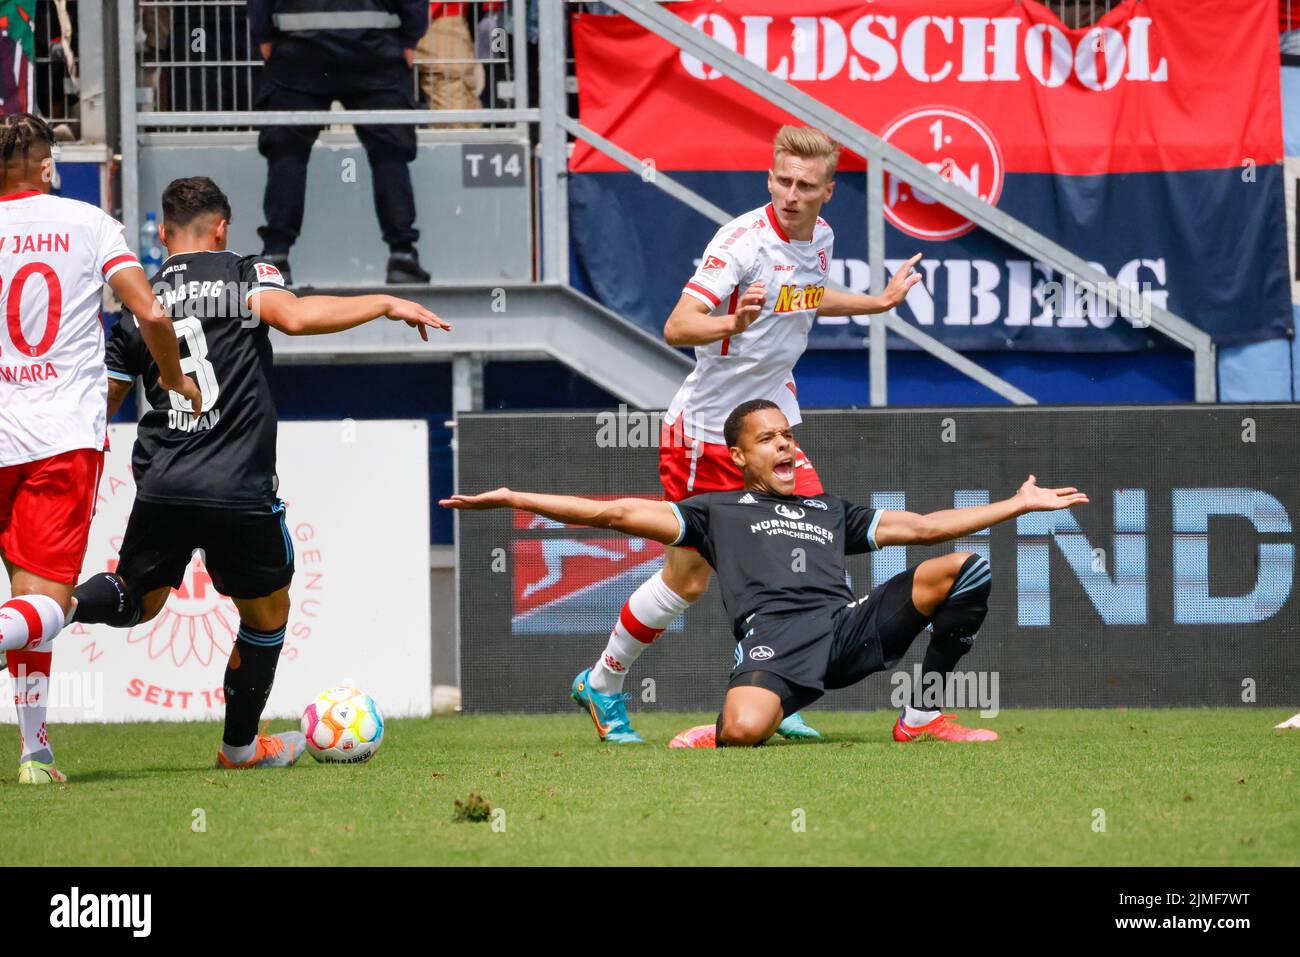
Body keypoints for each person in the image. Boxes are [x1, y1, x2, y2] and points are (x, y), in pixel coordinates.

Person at [68, 175, 449, 770]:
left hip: (164, 483)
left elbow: (105, 402)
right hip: (237, 487)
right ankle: (239, 749)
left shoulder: (138, 302)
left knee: (137, 601)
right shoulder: (247, 273)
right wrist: (382, 303)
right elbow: (294, 319)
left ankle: (54, 609)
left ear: (164, 234)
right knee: (266, 615)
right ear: (222, 227)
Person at [445, 400, 1089, 747]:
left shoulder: (829, 509)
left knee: (966, 569)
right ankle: (731, 720)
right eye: (767, 438)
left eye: (786, 435)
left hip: (843, 630)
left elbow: (921, 528)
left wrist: (1017, 504)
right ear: (739, 455)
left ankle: (922, 719)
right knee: (743, 734)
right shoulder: (714, 512)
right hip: (774, 643)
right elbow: (613, 512)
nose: (784, 444)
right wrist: (515, 499)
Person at [568, 125, 925, 744]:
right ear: (769, 179)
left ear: (827, 191)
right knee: (689, 580)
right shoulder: (739, 243)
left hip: (771, 424)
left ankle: (775, 689)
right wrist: (732, 319)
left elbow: (808, 298)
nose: (791, 193)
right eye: (782, 180)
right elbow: (679, 326)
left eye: (805, 185)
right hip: (705, 433)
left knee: (811, 553)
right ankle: (602, 683)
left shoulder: (821, 238)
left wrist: (879, 303)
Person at [0, 112, 200, 784]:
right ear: (48, 164)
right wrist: (171, 376)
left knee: (23, 605)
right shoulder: (89, 224)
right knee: (48, 603)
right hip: (58, 440)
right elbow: (152, 313)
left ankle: (34, 750)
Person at [246, 0, 432, 285]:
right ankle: (402, 256)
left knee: (288, 150)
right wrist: (409, 38)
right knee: (389, 152)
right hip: (375, 53)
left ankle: (275, 257)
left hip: (298, 54)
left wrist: (265, 36)